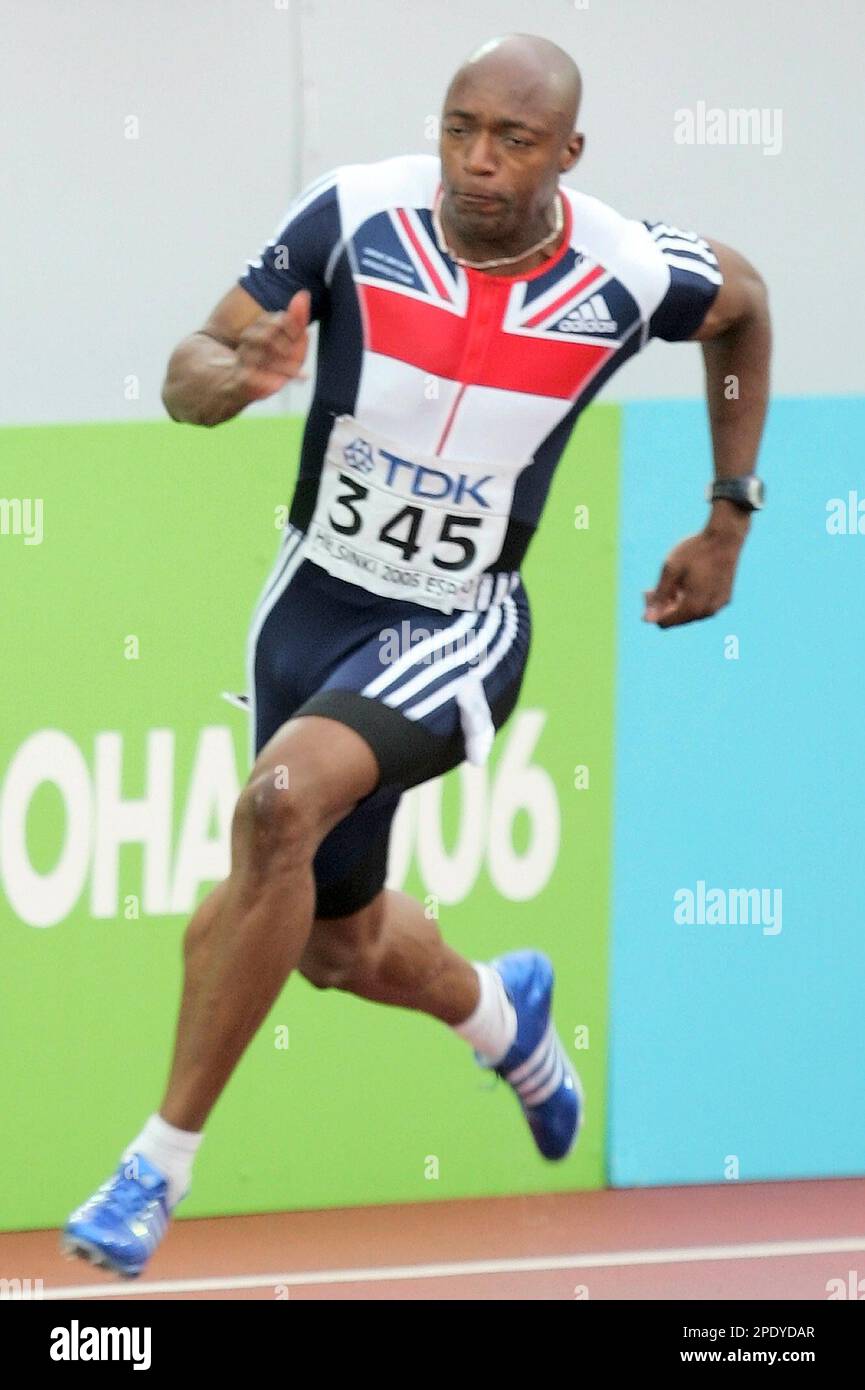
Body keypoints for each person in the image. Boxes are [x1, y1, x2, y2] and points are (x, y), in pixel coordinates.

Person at [62, 32, 770, 1278]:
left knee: (277, 806)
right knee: (331, 941)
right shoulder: (350, 215)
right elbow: (187, 370)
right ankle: (508, 1020)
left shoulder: (625, 269)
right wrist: (237, 377)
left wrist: (729, 513)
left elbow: (745, 307)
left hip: (460, 621)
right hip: (307, 606)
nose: (476, 161)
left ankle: (156, 1164)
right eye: (459, 128)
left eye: (511, 140)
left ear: (568, 153)